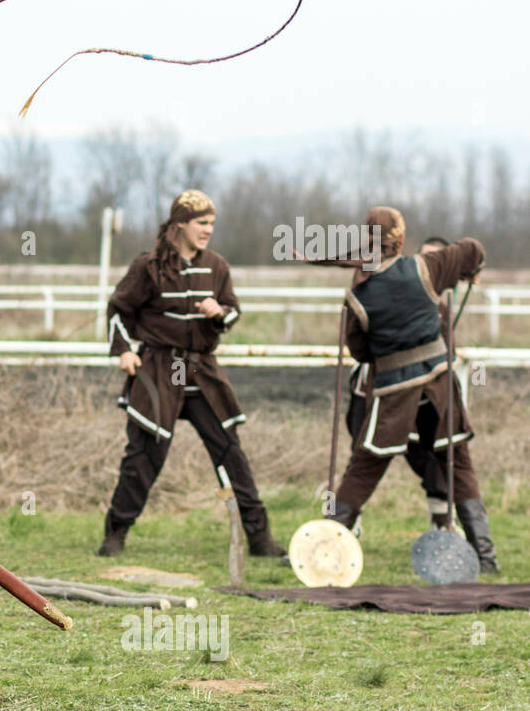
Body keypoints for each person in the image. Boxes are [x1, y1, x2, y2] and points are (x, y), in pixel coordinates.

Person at [98, 189, 286, 558]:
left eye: (212, 224)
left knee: (230, 453)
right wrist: (123, 351)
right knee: (142, 458)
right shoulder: (148, 266)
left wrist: (218, 313)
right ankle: (115, 533)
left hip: (200, 370)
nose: (208, 230)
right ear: (180, 224)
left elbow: (233, 312)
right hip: (158, 369)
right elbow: (117, 310)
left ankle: (260, 538)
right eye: (202, 223)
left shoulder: (216, 265)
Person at [327, 208, 495, 568]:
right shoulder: (427, 267)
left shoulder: (357, 297)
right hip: (439, 384)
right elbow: (473, 248)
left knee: (365, 465)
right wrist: (472, 269)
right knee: (457, 462)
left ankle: (327, 545)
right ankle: (485, 555)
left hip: (392, 391)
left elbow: (359, 351)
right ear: (401, 239)